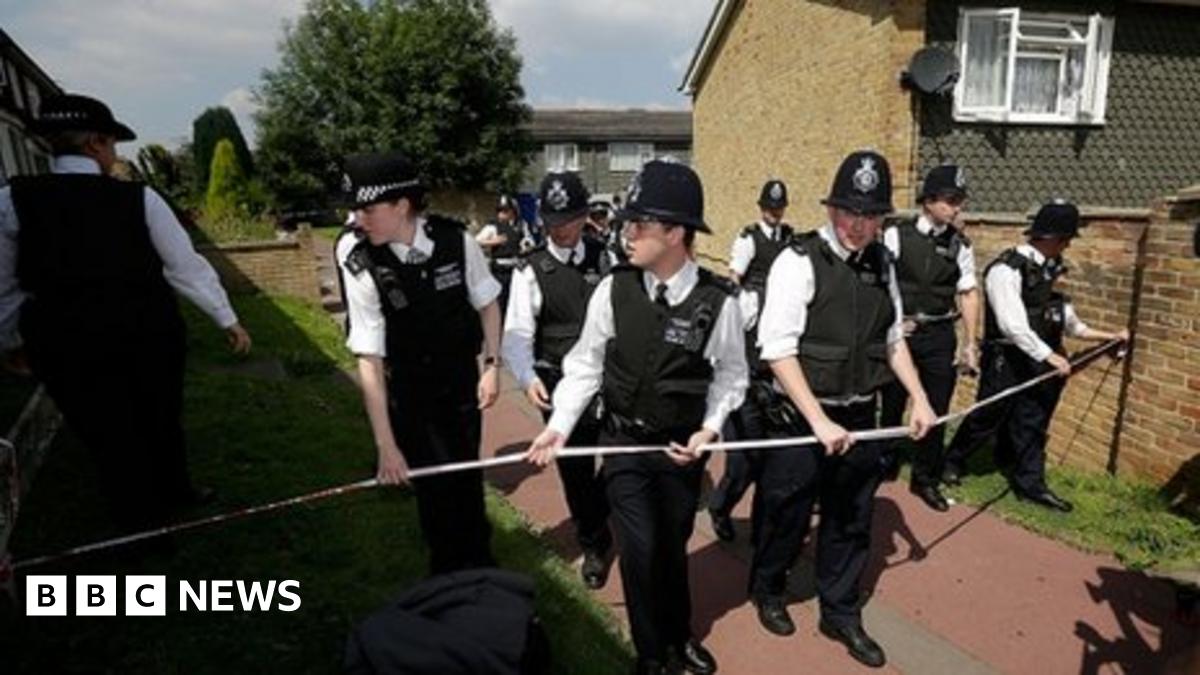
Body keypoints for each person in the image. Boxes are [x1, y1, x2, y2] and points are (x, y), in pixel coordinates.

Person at [527, 160, 747, 675]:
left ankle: (678, 635)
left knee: (671, 546)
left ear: (675, 233)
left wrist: (708, 430)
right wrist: (558, 427)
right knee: (641, 549)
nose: (627, 234)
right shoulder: (613, 289)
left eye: (640, 225)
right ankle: (649, 654)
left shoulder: (719, 303)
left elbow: (733, 375)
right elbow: (582, 365)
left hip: (679, 451)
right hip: (623, 443)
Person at [0, 93, 251, 533]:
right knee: (159, 414)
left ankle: (144, 513)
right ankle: (161, 501)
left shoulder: (10, 202)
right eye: (113, 144)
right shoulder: (140, 199)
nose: (115, 154)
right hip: (145, 330)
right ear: (96, 144)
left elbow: (4, 284)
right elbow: (183, 266)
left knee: (104, 431)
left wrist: (11, 339)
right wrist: (225, 317)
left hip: (64, 338)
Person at [751, 150, 936, 668]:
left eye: (871, 215)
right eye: (850, 213)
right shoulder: (798, 260)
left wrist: (919, 399)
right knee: (785, 511)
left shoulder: (883, 263)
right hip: (802, 417)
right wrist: (817, 419)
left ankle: (840, 610)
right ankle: (768, 587)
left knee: (852, 518)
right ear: (832, 210)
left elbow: (893, 339)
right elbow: (777, 349)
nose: (858, 226)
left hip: (858, 416)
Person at [337, 151, 501, 574]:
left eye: (367, 209)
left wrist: (492, 366)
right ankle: (447, 574)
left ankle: (479, 562)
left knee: (466, 475)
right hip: (410, 391)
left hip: (460, 383)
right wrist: (386, 445)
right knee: (433, 489)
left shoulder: (457, 242)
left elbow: (488, 303)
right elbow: (369, 360)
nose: (358, 219)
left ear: (402, 206)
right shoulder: (362, 264)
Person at [941, 200, 1128, 512]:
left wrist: (1109, 337)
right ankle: (953, 460)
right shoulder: (1006, 269)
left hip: (1037, 359)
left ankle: (1031, 484)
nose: (1068, 245)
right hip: (1007, 358)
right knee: (989, 415)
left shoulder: (1051, 269)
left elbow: (1068, 321)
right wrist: (1050, 356)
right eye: (1066, 239)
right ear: (1050, 238)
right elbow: (1012, 325)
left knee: (1033, 420)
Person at [502, 171, 614, 589]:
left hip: (608, 379)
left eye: (569, 218)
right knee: (577, 472)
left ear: (585, 215)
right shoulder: (531, 270)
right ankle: (594, 544)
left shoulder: (606, 257)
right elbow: (516, 336)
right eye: (553, 220)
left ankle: (600, 516)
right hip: (557, 383)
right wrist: (527, 376)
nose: (561, 229)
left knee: (620, 460)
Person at [878, 164, 980, 512]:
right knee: (892, 401)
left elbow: (968, 293)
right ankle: (885, 461)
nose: (957, 208)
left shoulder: (960, 245)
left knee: (936, 408)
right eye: (951, 200)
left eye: (960, 201)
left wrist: (970, 342)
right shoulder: (895, 236)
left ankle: (925, 477)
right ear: (929, 200)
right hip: (901, 333)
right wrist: (891, 322)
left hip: (938, 334)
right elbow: (880, 282)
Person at [708, 178, 794, 542]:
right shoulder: (748, 239)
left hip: (776, 349)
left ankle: (765, 525)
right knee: (742, 463)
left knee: (774, 461)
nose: (774, 214)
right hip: (746, 355)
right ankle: (721, 507)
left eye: (779, 208)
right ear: (761, 208)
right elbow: (734, 280)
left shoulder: (791, 239)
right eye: (769, 208)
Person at [475, 194, 529, 315]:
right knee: (501, 304)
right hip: (500, 271)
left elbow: (528, 241)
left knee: (518, 304)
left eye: (505, 210)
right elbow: (477, 241)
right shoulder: (493, 226)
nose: (501, 214)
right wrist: (493, 241)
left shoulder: (521, 225)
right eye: (499, 210)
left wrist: (526, 247)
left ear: (512, 211)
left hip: (517, 269)